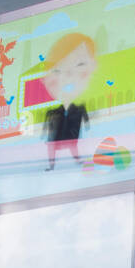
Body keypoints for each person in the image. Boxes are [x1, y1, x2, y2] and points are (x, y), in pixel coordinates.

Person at [41, 33, 94, 170]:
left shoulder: (78, 109)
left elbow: (84, 119)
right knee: (53, 146)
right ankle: (53, 165)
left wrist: (86, 123)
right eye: (57, 70)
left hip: (69, 133)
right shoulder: (55, 111)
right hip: (60, 134)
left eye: (79, 64)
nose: (68, 75)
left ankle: (76, 161)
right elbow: (48, 123)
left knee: (71, 145)